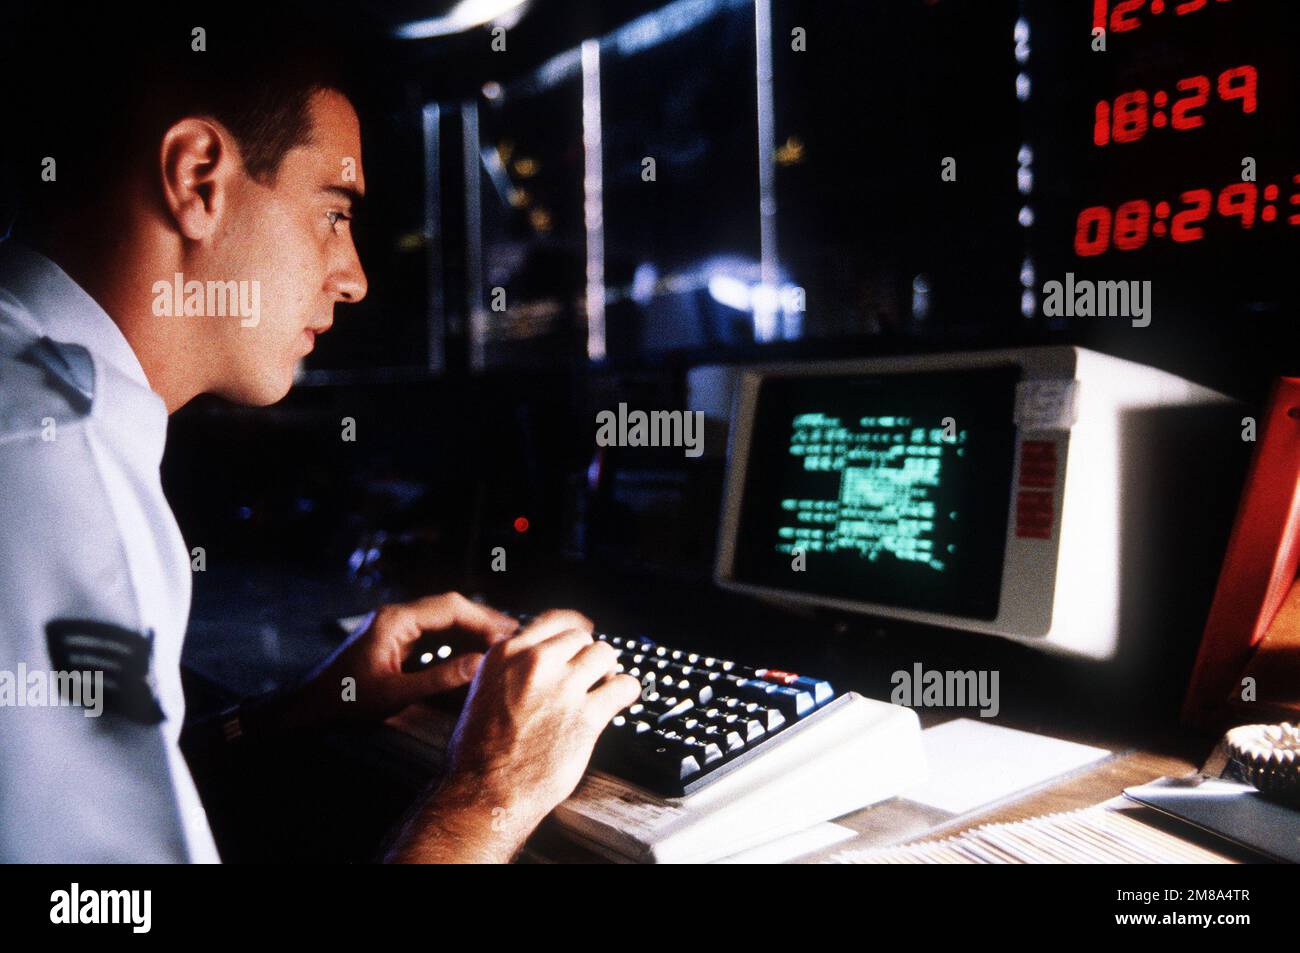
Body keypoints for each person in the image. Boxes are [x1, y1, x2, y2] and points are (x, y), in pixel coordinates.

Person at [0, 5, 641, 863]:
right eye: (334, 213)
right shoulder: (54, 466)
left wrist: (296, 711)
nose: (355, 277)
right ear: (198, 180)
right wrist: (491, 790)